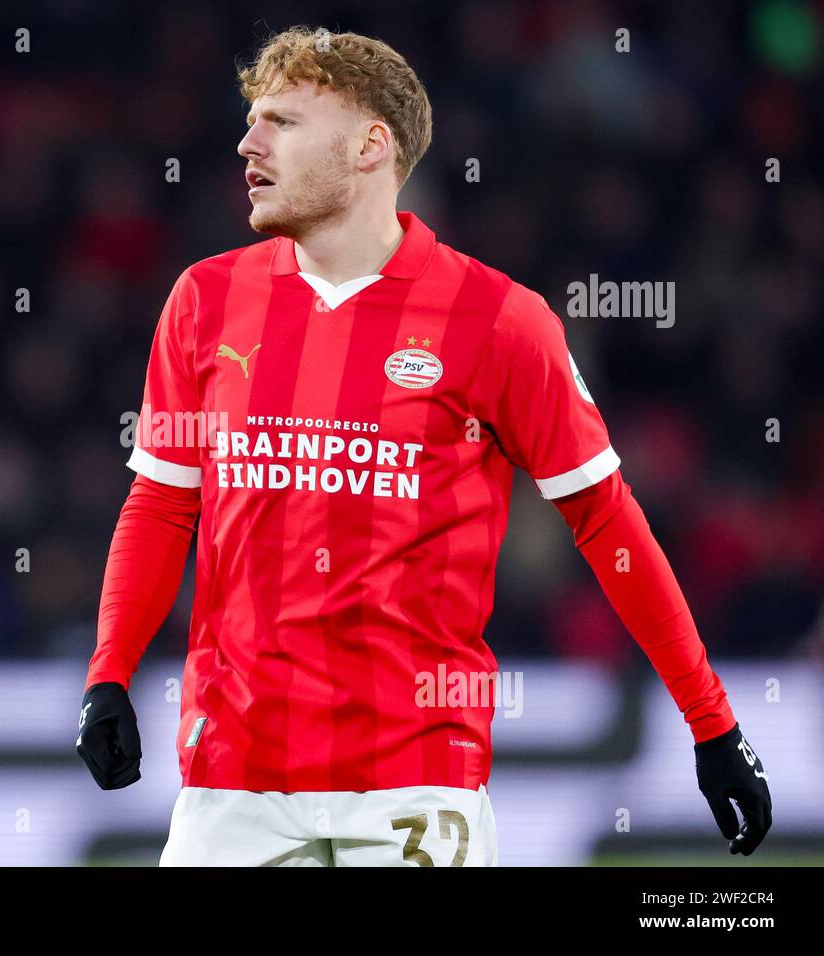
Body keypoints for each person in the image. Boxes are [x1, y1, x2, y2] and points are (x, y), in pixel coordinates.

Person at [76, 26, 770, 866]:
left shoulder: (502, 322)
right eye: (252, 120)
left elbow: (607, 525)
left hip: (415, 780)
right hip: (230, 781)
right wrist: (109, 671)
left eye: (284, 122)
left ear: (372, 146)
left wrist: (711, 722)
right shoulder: (203, 301)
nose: (248, 142)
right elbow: (161, 502)